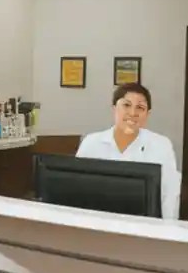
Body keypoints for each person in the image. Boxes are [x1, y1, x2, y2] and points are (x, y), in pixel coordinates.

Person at [76, 83, 182, 220]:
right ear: (114, 108)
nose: (133, 113)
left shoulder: (161, 145)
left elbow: (169, 196)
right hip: (97, 223)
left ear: (147, 114)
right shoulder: (91, 143)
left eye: (140, 108)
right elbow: (78, 190)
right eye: (126, 105)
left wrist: (168, 232)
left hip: (143, 227)